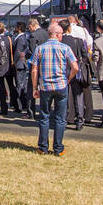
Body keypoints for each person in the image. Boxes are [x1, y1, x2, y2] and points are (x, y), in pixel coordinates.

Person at [31, 22, 78, 155]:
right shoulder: (65, 48)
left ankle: (43, 147)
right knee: (60, 118)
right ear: (57, 34)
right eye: (61, 34)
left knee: (44, 116)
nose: (62, 36)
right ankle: (58, 148)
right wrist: (68, 79)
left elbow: (34, 70)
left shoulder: (40, 48)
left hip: (45, 86)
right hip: (61, 85)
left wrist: (35, 87)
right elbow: (75, 67)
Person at [60, 19, 91, 131]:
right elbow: (85, 56)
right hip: (76, 70)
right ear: (69, 28)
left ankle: (63, 119)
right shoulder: (78, 41)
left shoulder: (59, 42)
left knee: (63, 97)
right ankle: (79, 120)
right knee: (78, 95)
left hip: (62, 71)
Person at [0, 20, 15, 117]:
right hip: (9, 65)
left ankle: (4, 108)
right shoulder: (9, 39)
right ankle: (16, 105)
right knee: (11, 86)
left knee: (1, 88)